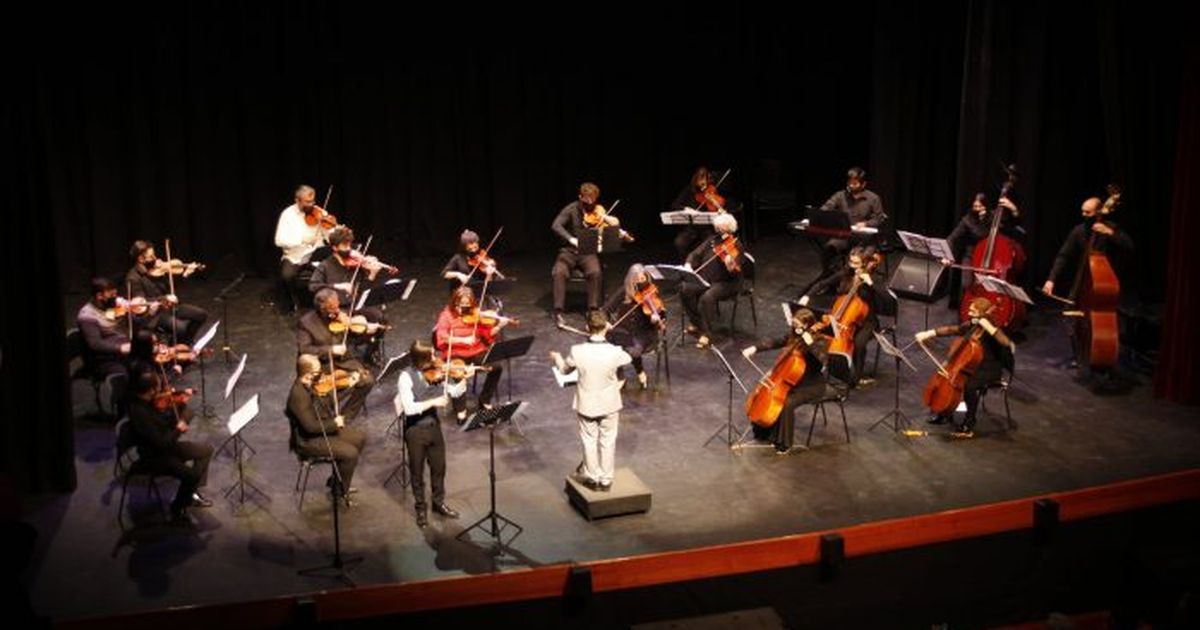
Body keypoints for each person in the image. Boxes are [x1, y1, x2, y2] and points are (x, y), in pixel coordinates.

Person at [1042, 193, 1133, 373]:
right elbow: (1063, 256)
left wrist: (1111, 233)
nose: (1083, 215)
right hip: (1081, 283)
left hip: (1102, 285)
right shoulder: (1079, 231)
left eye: (1087, 213)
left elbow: (1129, 246)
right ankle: (1079, 355)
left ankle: (1099, 354)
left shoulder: (1110, 228)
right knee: (1071, 319)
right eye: (1082, 212)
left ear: (1099, 212)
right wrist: (1051, 280)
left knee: (1099, 322)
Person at [550, 310, 632, 491]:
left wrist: (557, 358)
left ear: (587, 327)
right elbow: (628, 357)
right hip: (609, 404)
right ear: (606, 326)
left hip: (587, 404)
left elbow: (564, 370)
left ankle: (592, 478)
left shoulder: (577, 351)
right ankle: (606, 480)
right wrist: (610, 334)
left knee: (589, 441)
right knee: (608, 441)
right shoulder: (615, 351)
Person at [915, 296, 1016, 437]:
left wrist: (988, 327)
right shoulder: (972, 325)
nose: (969, 313)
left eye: (973, 312)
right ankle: (945, 413)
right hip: (971, 364)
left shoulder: (993, 328)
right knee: (950, 378)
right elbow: (952, 329)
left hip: (989, 368)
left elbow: (1006, 343)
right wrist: (928, 333)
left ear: (983, 314)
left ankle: (969, 421)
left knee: (969, 386)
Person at [797, 245, 893, 387]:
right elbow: (823, 283)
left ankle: (857, 378)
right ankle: (819, 366)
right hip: (843, 317)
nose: (852, 266)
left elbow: (889, 302)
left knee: (859, 344)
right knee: (819, 333)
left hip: (867, 321)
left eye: (856, 263)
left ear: (865, 263)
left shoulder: (875, 278)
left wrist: (871, 283)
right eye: (851, 261)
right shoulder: (847, 272)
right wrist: (807, 296)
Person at [742, 308, 835, 453]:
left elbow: (822, 361)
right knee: (772, 397)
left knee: (786, 403)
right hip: (793, 381)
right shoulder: (795, 336)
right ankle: (765, 433)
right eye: (794, 324)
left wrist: (810, 344)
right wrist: (755, 348)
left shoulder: (820, 340)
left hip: (811, 385)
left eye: (797, 325)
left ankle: (784, 443)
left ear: (807, 325)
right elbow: (776, 341)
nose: (794, 328)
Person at [127, 370, 214, 522]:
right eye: (158, 387)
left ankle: (190, 493)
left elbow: (166, 421)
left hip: (166, 447)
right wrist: (178, 430)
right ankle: (177, 507)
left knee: (206, 450)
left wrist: (180, 405)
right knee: (192, 475)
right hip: (154, 456)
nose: (161, 390)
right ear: (151, 390)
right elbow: (162, 443)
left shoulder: (148, 401)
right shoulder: (140, 413)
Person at [394, 341, 460, 528]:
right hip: (415, 431)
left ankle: (438, 503)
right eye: (431, 355)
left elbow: (455, 392)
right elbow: (409, 409)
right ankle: (420, 509)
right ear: (421, 358)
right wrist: (433, 402)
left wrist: (462, 378)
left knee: (439, 469)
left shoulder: (435, 372)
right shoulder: (405, 377)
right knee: (417, 473)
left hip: (434, 427)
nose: (435, 358)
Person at [286, 354, 368, 498]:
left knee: (359, 438)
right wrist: (335, 423)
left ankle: (337, 481)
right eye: (317, 372)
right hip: (308, 441)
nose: (321, 375)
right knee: (350, 453)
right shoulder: (298, 395)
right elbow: (310, 427)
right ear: (308, 374)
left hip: (319, 431)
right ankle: (340, 491)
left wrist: (349, 386)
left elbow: (326, 401)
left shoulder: (308, 385)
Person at [550, 182, 629, 325]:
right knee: (558, 272)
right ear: (580, 197)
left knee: (595, 272)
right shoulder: (571, 209)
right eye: (587, 199)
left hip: (587, 252)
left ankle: (592, 309)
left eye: (594, 199)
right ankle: (558, 311)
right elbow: (556, 225)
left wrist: (610, 223)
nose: (591, 203)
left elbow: (611, 225)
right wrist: (571, 239)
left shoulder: (598, 210)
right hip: (569, 251)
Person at [309, 226, 390, 364]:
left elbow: (361, 288)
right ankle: (345, 352)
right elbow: (313, 286)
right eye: (344, 246)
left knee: (380, 318)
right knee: (341, 328)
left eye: (349, 245)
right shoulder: (325, 266)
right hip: (336, 309)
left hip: (355, 304)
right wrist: (337, 286)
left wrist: (372, 274)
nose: (349, 249)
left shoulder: (355, 264)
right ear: (334, 248)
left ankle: (371, 352)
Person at [433, 286, 511, 422]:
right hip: (456, 352)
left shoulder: (475, 314)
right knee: (458, 373)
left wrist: (499, 326)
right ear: (455, 302)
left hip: (476, 350)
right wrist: (462, 340)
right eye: (461, 304)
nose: (464, 307)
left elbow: (487, 334)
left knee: (496, 367)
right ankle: (461, 410)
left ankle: (484, 399)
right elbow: (442, 336)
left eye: (467, 304)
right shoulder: (446, 315)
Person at [296, 288, 376, 420]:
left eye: (337, 305)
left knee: (367, 380)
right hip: (322, 365)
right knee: (327, 392)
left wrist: (364, 330)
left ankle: (346, 416)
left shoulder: (340, 315)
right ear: (322, 309)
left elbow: (354, 335)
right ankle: (327, 412)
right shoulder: (306, 323)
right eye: (332, 308)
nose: (337, 311)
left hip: (344, 361)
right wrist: (331, 349)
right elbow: (305, 349)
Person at [681, 212, 749, 348]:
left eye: (722, 227)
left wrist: (730, 265)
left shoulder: (736, 245)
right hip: (707, 278)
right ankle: (698, 323)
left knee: (707, 297)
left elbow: (734, 271)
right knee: (685, 289)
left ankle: (707, 334)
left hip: (727, 283)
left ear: (730, 228)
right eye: (718, 227)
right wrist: (688, 264)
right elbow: (695, 254)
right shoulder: (712, 240)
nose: (719, 230)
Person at [125, 240, 209, 344]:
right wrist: (164, 298)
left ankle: (182, 343)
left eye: (154, 255)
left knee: (201, 315)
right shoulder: (133, 277)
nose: (155, 258)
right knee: (181, 328)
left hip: (170, 306)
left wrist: (185, 274)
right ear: (141, 259)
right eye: (151, 256)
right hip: (154, 315)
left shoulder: (158, 270)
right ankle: (177, 346)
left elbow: (171, 286)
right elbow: (141, 303)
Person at [601, 263, 665, 389]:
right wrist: (606, 322)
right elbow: (606, 309)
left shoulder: (651, 292)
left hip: (644, 334)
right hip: (624, 331)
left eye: (643, 279)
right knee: (609, 344)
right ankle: (620, 376)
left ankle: (640, 371)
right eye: (637, 280)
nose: (641, 282)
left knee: (633, 350)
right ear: (631, 280)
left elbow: (662, 315)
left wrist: (655, 320)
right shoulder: (625, 290)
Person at [75, 277, 133, 414]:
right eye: (111, 295)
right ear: (99, 296)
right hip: (100, 359)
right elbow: (95, 344)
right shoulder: (87, 316)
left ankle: (141, 404)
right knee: (124, 374)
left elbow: (135, 311)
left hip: (117, 352)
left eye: (115, 294)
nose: (115, 298)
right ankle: (122, 410)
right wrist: (120, 348)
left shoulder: (109, 306)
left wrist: (157, 303)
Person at [815, 166, 886, 275]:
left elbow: (879, 218)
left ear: (863, 184)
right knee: (829, 248)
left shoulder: (873, 198)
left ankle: (851, 279)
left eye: (855, 183)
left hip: (865, 239)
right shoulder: (840, 195)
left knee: (856, 259)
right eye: (849, 183)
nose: (851, 186)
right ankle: (828, 276)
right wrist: (820, 214)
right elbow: (827, 207)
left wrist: (866, 223)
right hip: (845, 236)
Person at [274, 185, 331, 312]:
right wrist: (301, 241)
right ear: (297, 200)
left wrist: (332, 229)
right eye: (307, 202)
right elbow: (279, 241)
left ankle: (327, 301)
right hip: (295, 257)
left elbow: (329, 237)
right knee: (287, 276)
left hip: (316, 253)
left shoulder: (319, 212)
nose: (312, 205)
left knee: (332, 270)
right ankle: (294, 301)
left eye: (313, 201)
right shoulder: (287, 215)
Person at [669, 166, 727, 256]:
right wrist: (685, 209)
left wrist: (714, 202)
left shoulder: (711, 190)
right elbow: (674, 205)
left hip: (708, 228)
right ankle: (688, 261)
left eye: (705, 178)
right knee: (679, 242)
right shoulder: (689, 191)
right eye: (700, 178)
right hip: (692, 228)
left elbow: (720, 207)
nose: (703, 182)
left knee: (711, 243)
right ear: (695, 179)